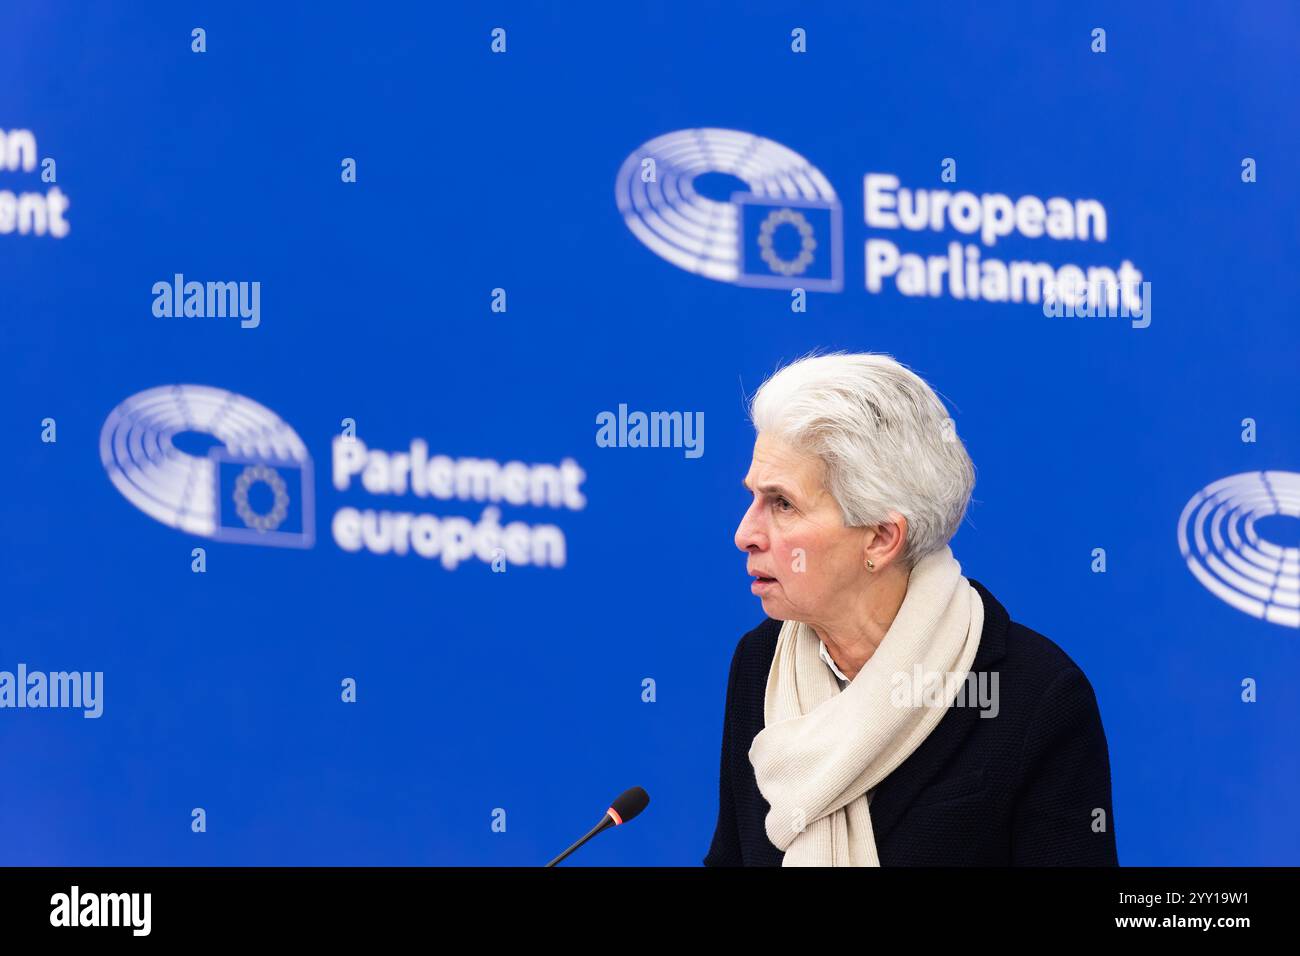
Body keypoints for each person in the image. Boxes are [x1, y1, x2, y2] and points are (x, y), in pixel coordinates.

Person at [705, 350, 1118, 866]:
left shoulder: (1033, 696)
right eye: (753, 498)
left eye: (782, 504)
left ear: (880, 538)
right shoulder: (761, 665)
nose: (745, 534)